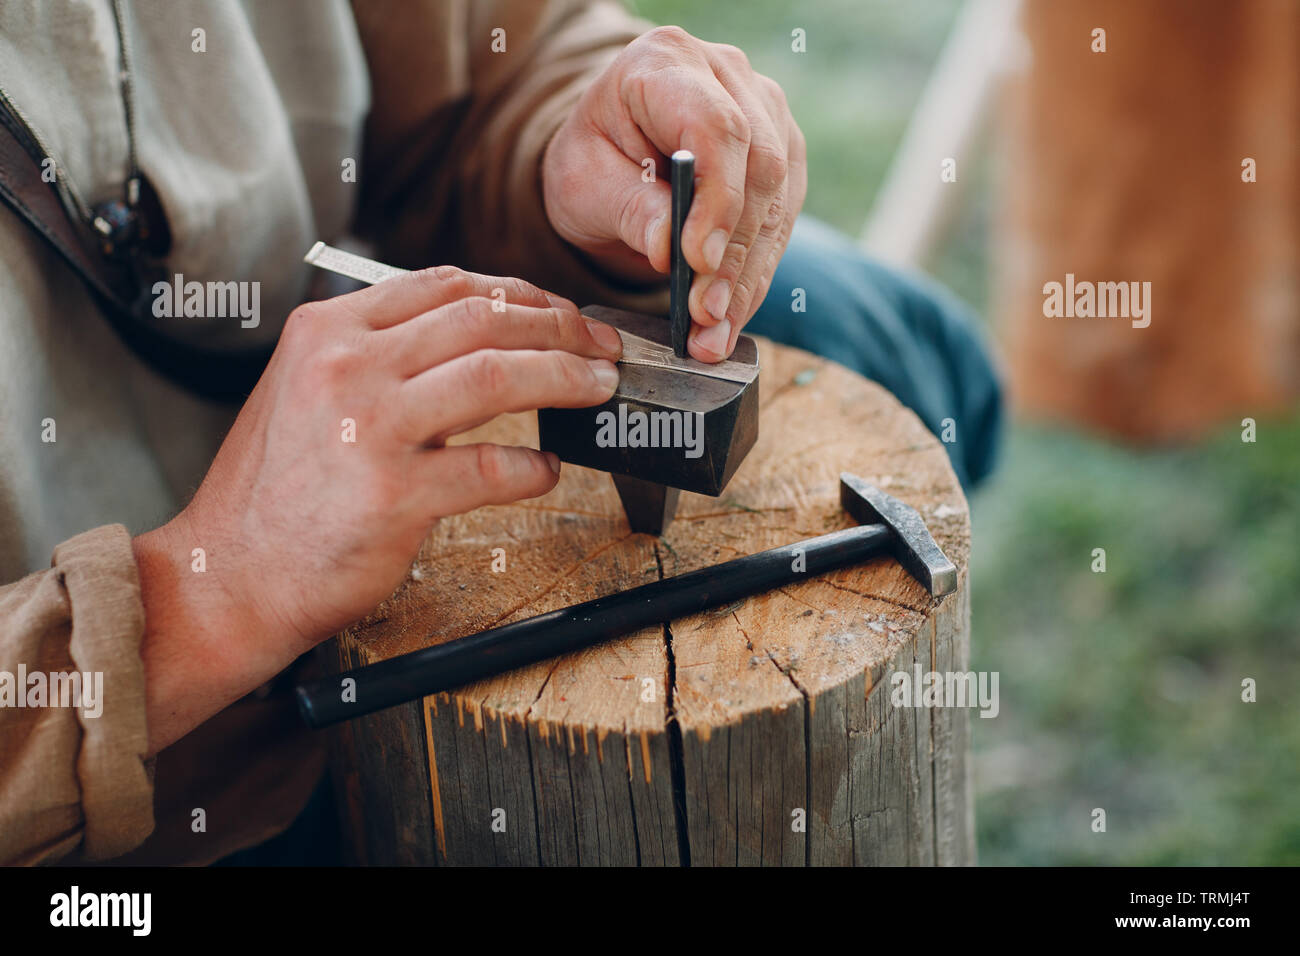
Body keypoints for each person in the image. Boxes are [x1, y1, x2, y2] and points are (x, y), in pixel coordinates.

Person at [0, 0, 1000, 865]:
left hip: (378, 392)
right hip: (154, 793)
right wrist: (199, 599)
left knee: (899, 337)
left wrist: (565, 154)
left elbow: (495, 58)